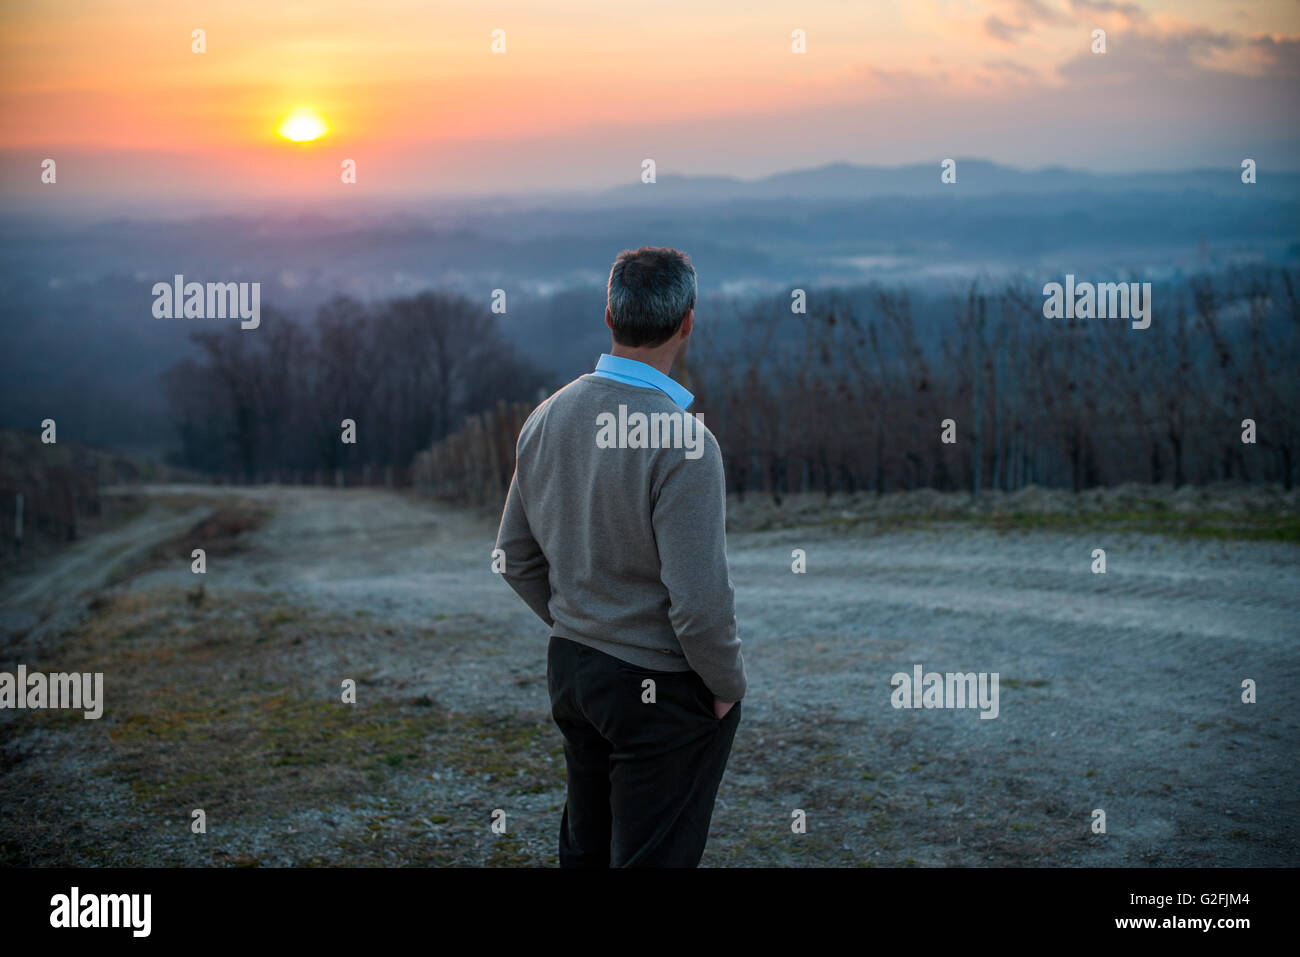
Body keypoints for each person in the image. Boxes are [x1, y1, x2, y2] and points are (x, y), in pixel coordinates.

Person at [494, 246, 746, 867]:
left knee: (587, 850)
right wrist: (727, 686)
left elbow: (513, 557)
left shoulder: (546, 416)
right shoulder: (686, 443)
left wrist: (580, 624)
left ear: (609, 315)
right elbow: (699, 604)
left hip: (573, 672)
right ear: (689, 321)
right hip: (655, 687)